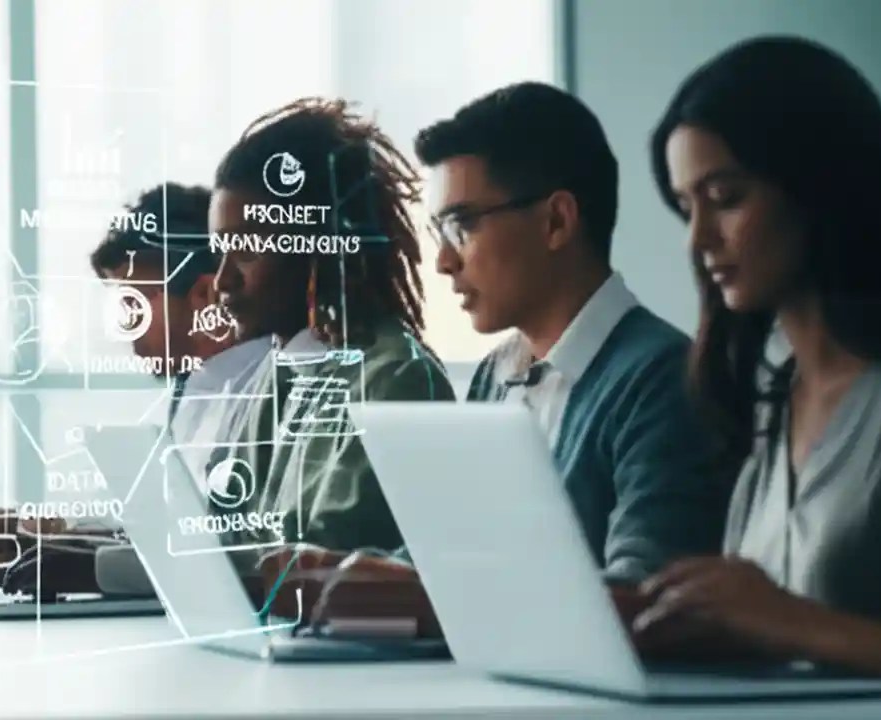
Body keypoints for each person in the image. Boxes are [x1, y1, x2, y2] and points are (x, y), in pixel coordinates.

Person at [262, 82, 729, 626]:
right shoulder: (495, 373)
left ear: (556, 221)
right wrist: (340, 576)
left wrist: (389, 591)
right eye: (438, 230)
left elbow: (643, 595)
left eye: (461, 226)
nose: (441, 261)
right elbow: (452, 554)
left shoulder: (665, 378)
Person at [630, 37, 881, 718]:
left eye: (725, 197)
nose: (696, 241)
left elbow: (793, 625)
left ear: (820, 186)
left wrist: (790, 623)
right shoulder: (773, 402)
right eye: (684, 206)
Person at [0, 183, 270, 586]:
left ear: (202, 296)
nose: (125, 329)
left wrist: (18, 540)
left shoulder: (265, 397)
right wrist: (5, 526)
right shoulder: (198, 389)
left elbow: (217, 556)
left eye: (133, 305)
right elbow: (142, 528)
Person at [205, 97, 453, 563]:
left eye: (246, 251)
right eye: (220, 252)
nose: (222, 281)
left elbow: (324, 560)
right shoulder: (276, 372)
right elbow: (221, 533)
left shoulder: (396, 380)